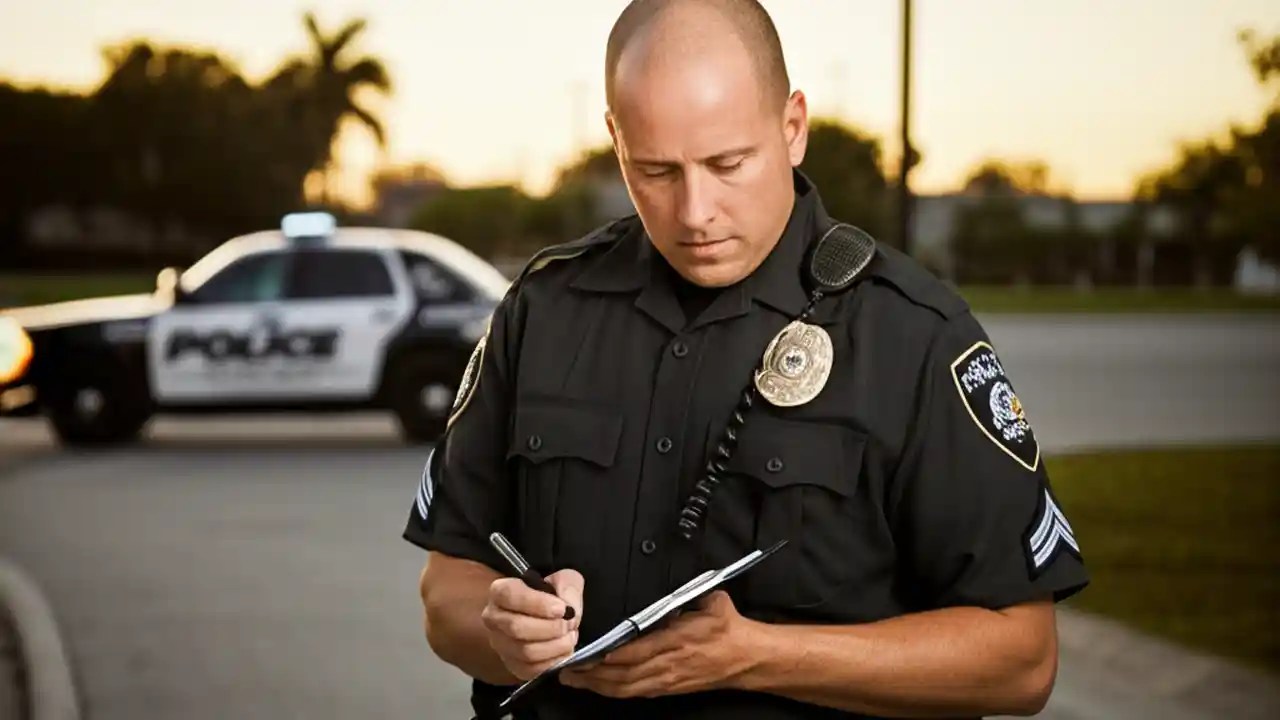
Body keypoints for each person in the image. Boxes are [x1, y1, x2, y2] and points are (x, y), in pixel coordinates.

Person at [402, 1, 1089, 717]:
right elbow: (446, 590)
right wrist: (508, 633)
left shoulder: (914, 335)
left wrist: (759, 656)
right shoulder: (542, 310)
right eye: (656, 170)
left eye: (727, 164)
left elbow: (1021, 660)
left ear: (793, 128)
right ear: (615, 139)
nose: (695, 211)